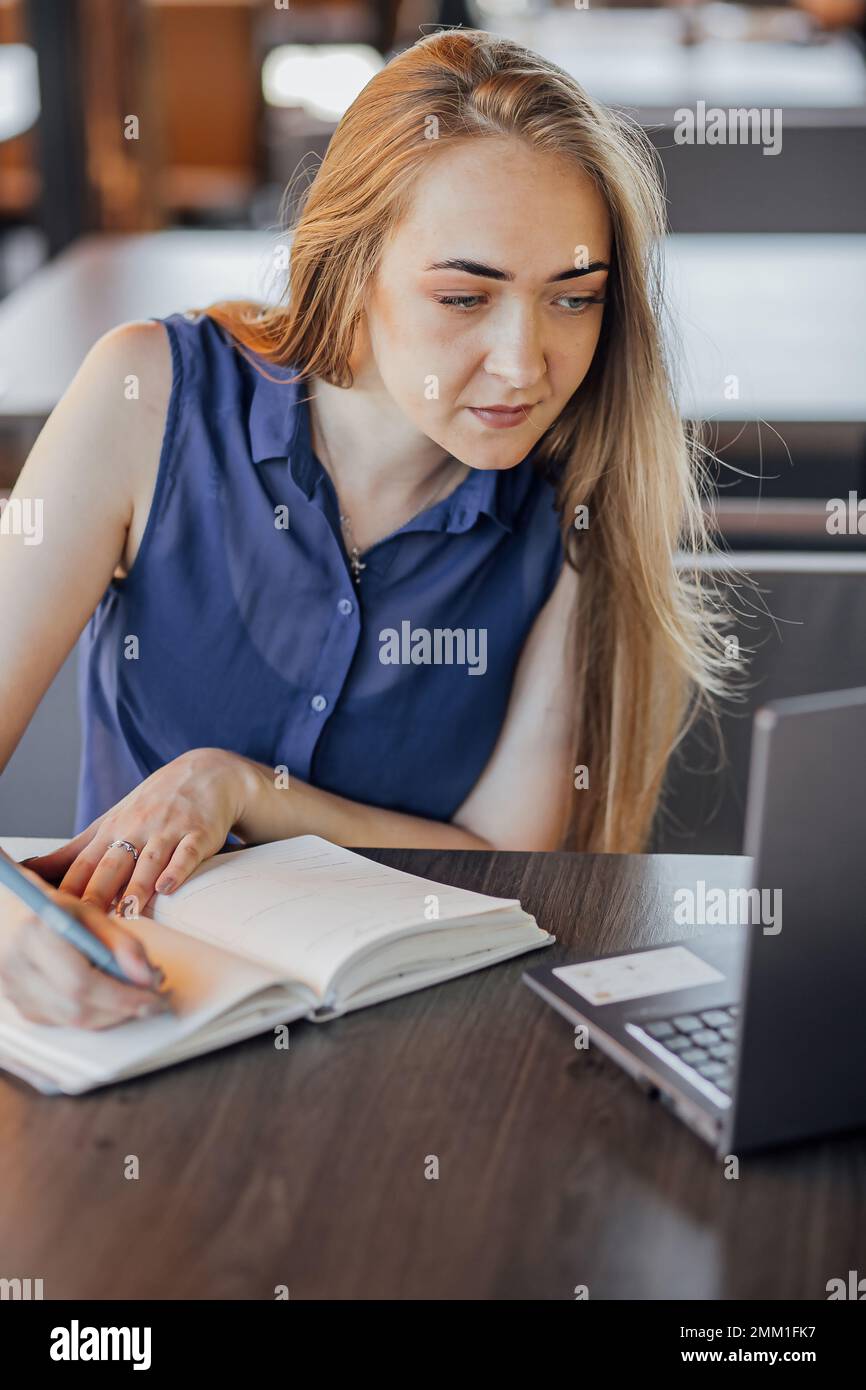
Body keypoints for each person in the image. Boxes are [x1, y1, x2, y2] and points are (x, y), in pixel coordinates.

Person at [0, 28, 730, 1029]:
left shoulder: (575, 497)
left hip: (409, 1044)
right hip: (131, 1021)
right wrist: (16, 936)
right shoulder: (146, 395)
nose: (524, 364)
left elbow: (509, 856)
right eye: (464, 296)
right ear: (347, 270)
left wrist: (239, 787)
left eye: (572, 298)